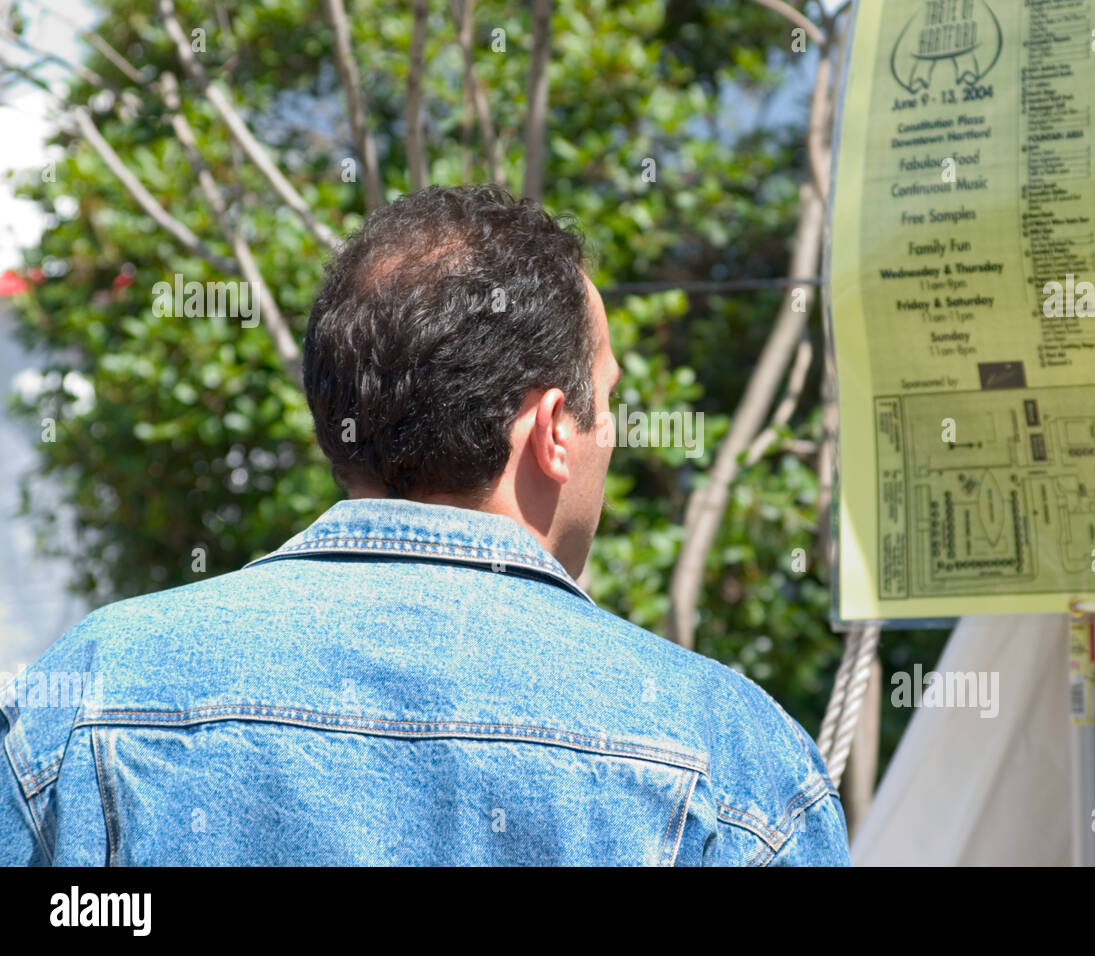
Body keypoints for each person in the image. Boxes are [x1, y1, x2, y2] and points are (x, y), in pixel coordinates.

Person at [0, 185, 850, 865]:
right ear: (553, 429)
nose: (615, 434)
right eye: (611, 400)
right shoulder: (729, 759)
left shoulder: (85, 695)